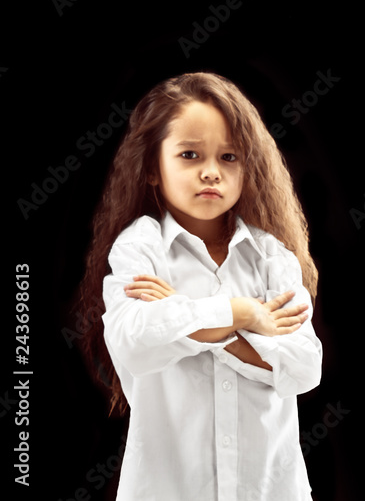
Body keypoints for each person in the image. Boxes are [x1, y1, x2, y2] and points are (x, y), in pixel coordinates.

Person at [76, 72, 322, 500]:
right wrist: (242, 315)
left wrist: (184, 316)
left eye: (229, 157)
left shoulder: (273, 257)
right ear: (153, 169)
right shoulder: (140, 248)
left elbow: (303, 368)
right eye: (190, 154)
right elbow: (134, 343)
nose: (211, 172)